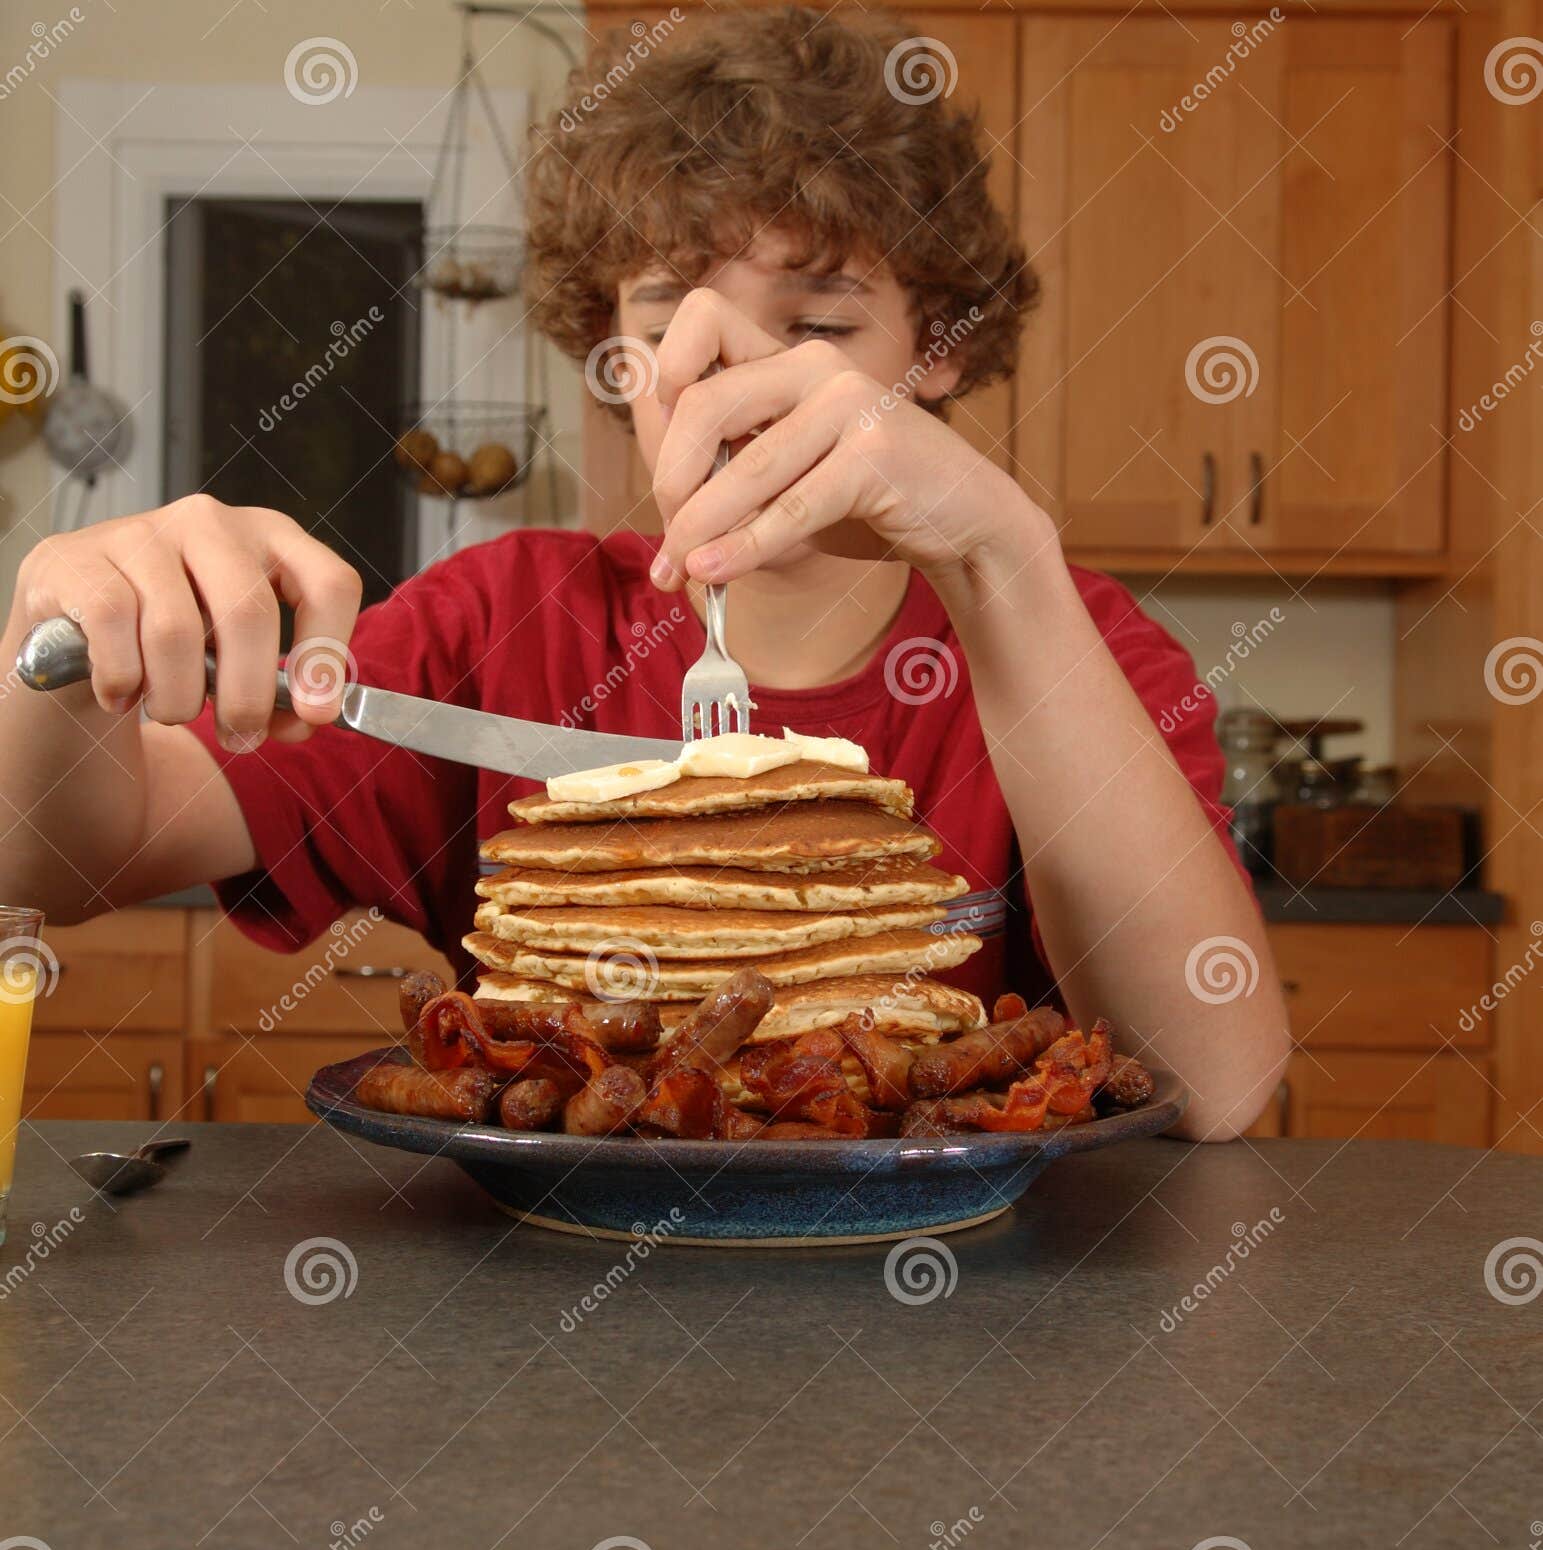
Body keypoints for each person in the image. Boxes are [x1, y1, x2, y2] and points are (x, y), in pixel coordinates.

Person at [0, 6, 1287, 1140]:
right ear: (609, 352)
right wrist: (59, 640)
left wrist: (1000, 556)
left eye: (823, 324)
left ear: (937, 350)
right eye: (670, 322)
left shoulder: (1083, 650)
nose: (735, 376)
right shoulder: (501, 625)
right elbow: (61, 856)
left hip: (973, 1337)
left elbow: (1211, 1083)